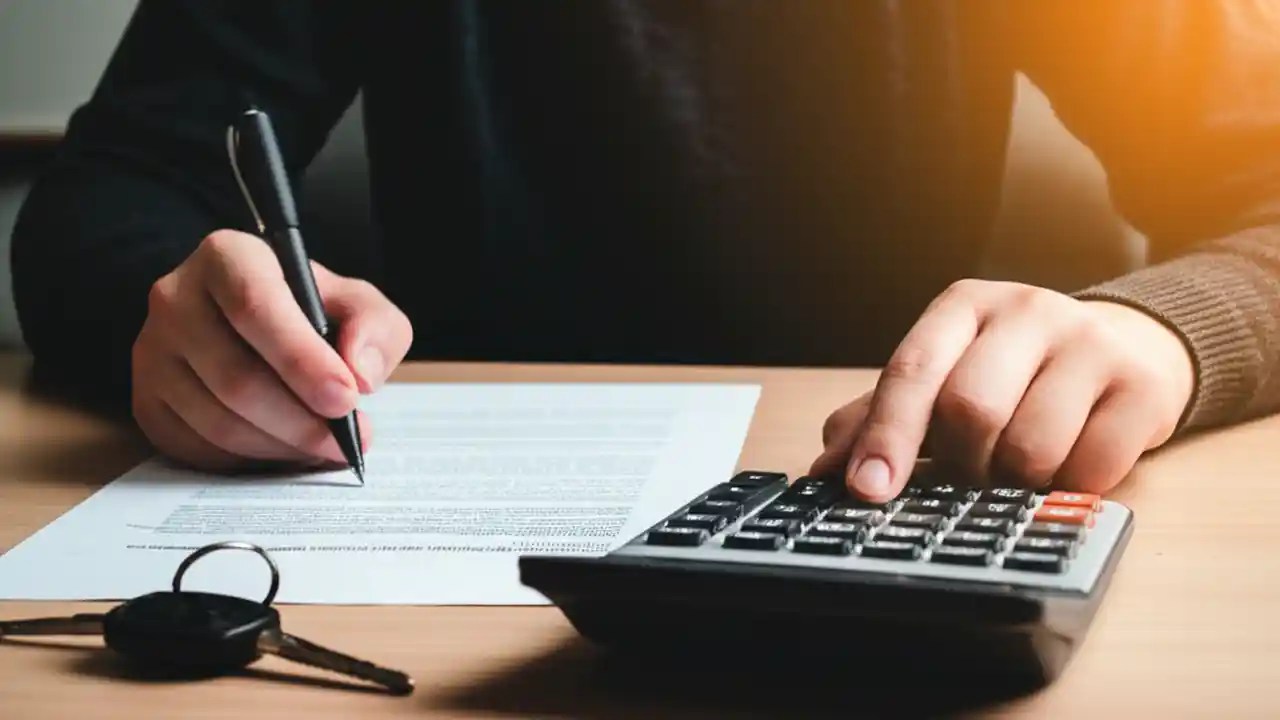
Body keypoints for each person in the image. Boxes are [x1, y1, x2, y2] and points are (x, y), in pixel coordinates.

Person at [11, 1, 1280, 503]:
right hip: (418, 548)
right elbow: (108, 192)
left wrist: (1167, 331)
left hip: (889, 509)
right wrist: (162, 307)